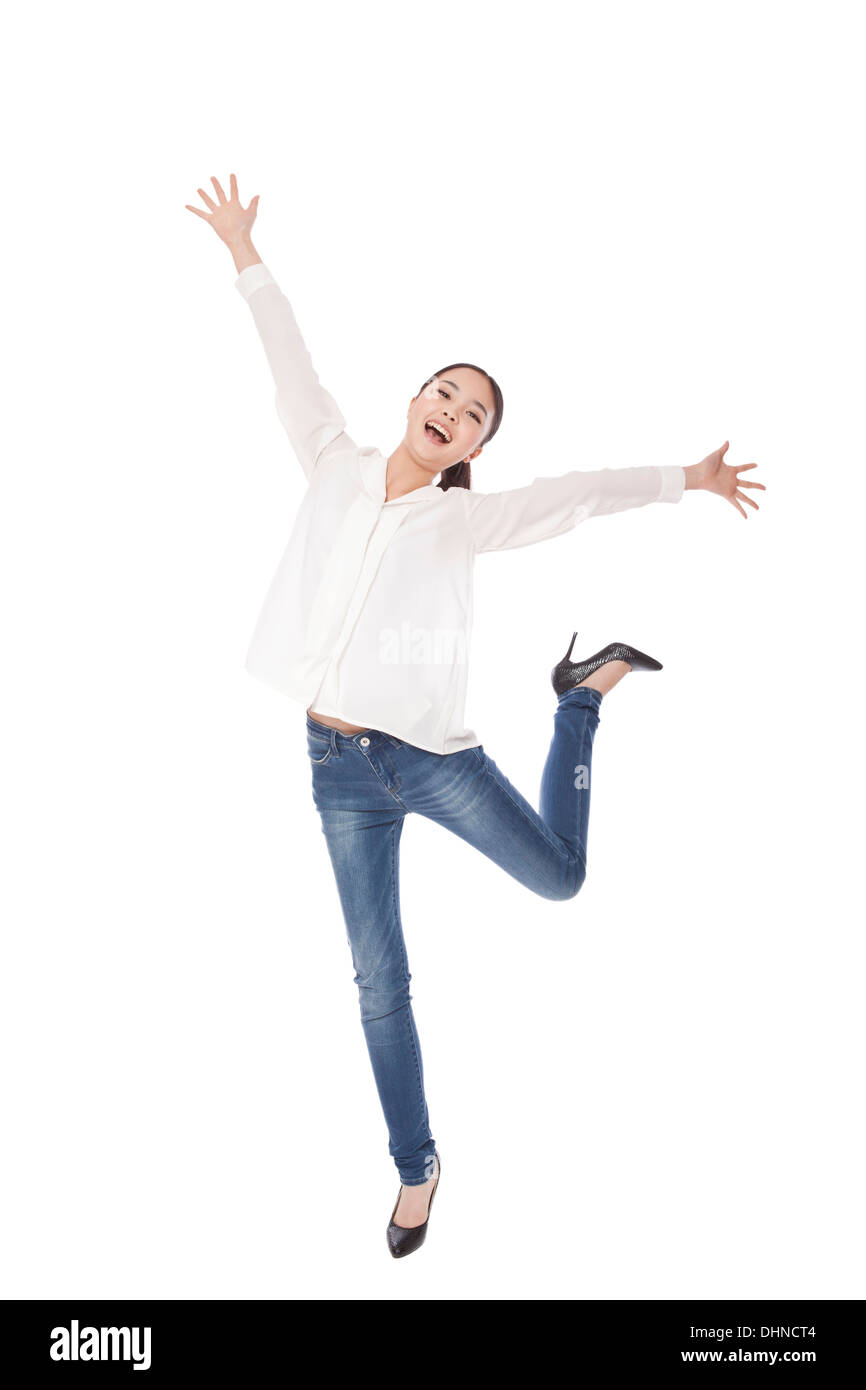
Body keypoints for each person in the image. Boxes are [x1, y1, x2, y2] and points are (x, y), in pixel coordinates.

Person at [186, 173, 765, 1258]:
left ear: (473, 449)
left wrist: (684, 477)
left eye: (472, 415)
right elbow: (290, 368)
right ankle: (417, 1168)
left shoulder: (467, 524)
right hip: (336, 767)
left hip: (431, 760)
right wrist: (243, 254)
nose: (450, 412)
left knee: (560, 879)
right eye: (443, 393)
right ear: (415, 398)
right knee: (376, 976)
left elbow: (579, 492)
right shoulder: (334, 463)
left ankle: (576, 705)